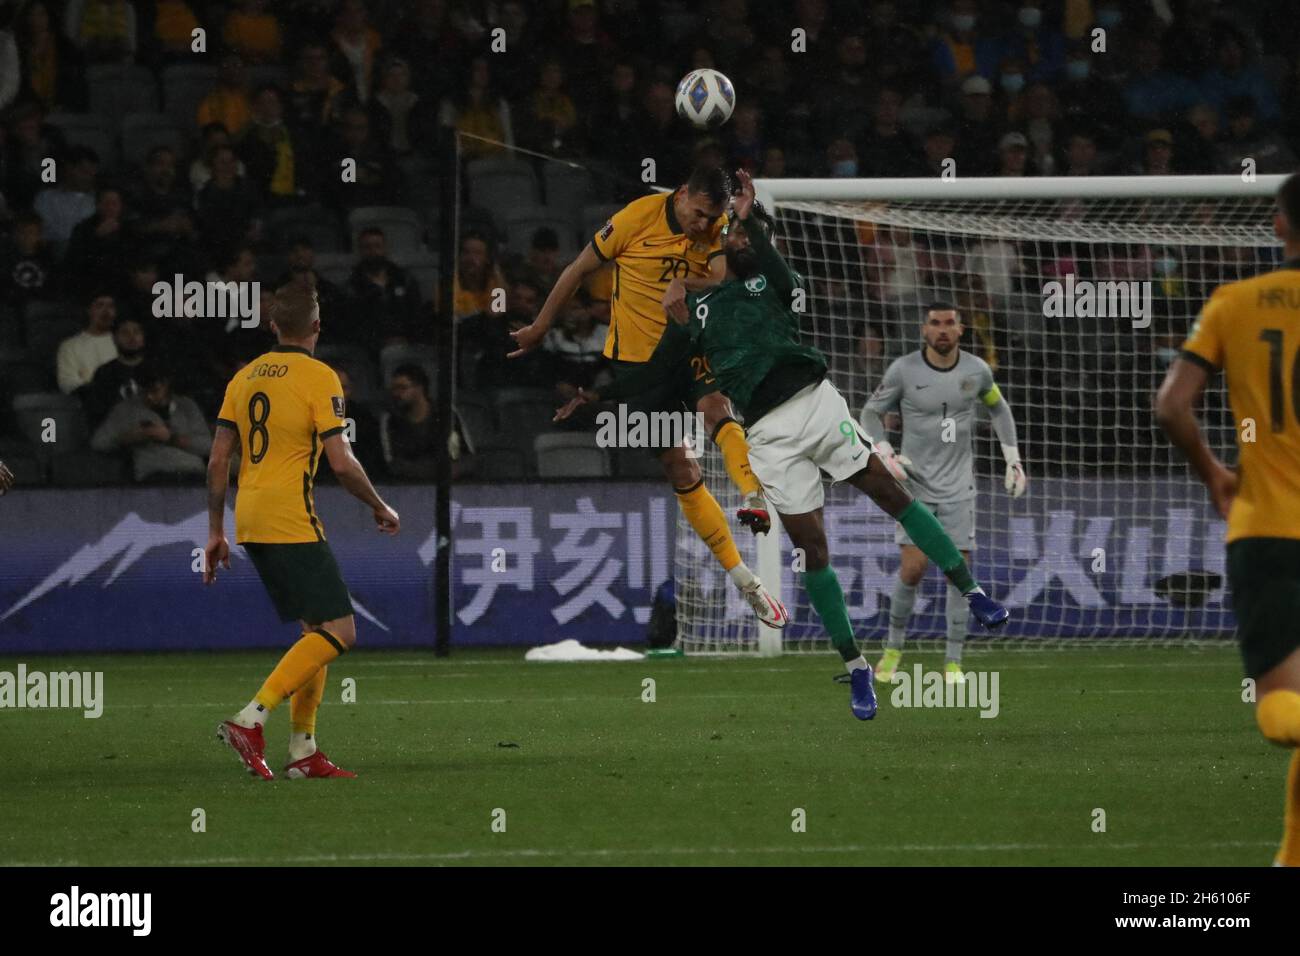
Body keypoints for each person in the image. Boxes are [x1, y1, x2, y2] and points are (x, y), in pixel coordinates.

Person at [557, 170, 1008, 718]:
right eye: (734, 235)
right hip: (769, 437)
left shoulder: (778, 282)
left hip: (818, 405)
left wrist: (751, 220)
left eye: (747, 235)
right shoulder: (695, 313)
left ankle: (972, 591)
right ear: (721, 245)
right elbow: (652, 377)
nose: (739, 240)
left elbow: (765, 256)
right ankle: (858, 667)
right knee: (812, 549)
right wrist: (597, 392)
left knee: (890, 494)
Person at [510, 164, 784, 629]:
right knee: (680, 465)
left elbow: (735, 269)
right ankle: (745, 580)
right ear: (680, 196)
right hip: (639, 361)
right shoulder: (637, 218)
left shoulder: (719, 225)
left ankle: (753, 494)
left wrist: (746, 216)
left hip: (693, 343)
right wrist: (540, 326)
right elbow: (578, 268)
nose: (703, 225)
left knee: (714, 406)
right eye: (698, 214)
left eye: (711, 217)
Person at [1155, 172, 1300, 867]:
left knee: (1282, 710)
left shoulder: (1235, 303)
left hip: (1267, 527)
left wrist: (1215, 473)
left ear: (1279, 225)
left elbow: (1171, 405)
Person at [205, 285, 399, 781]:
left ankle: (303, 752)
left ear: (274, 327)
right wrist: (379, 504)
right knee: (341, 631)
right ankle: (252, 718)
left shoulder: (243, 377)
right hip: (290, 513)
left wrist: (215, 530)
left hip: (249, 515)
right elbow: (342, 461)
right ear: (316, 327)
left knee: (315, 631)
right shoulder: (319, 376)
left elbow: (219, 458)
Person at [861, 303, 1025, 684]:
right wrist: (884, 451)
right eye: (935, 323)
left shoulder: (977, 371)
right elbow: (870, 413)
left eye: (949, 323)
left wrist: (1013, 460)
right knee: (913, 569)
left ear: (961, 329)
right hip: (914, 483)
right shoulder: (903, 370)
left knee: (958, 573)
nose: (942, 330)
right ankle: (893, 648)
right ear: (924, 330)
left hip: (958, 487)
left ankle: (953, 661)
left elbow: (999, 410)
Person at [91, 363, 212, 481]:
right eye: (144, 391)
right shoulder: (126, 409)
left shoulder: (187, 406)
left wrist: (170, 438)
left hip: (193, 474)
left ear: (166, 384)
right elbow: (98, 443)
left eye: (154, 390)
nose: (149, 396)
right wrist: (126, 438)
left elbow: (208, 446)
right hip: (154, 476)